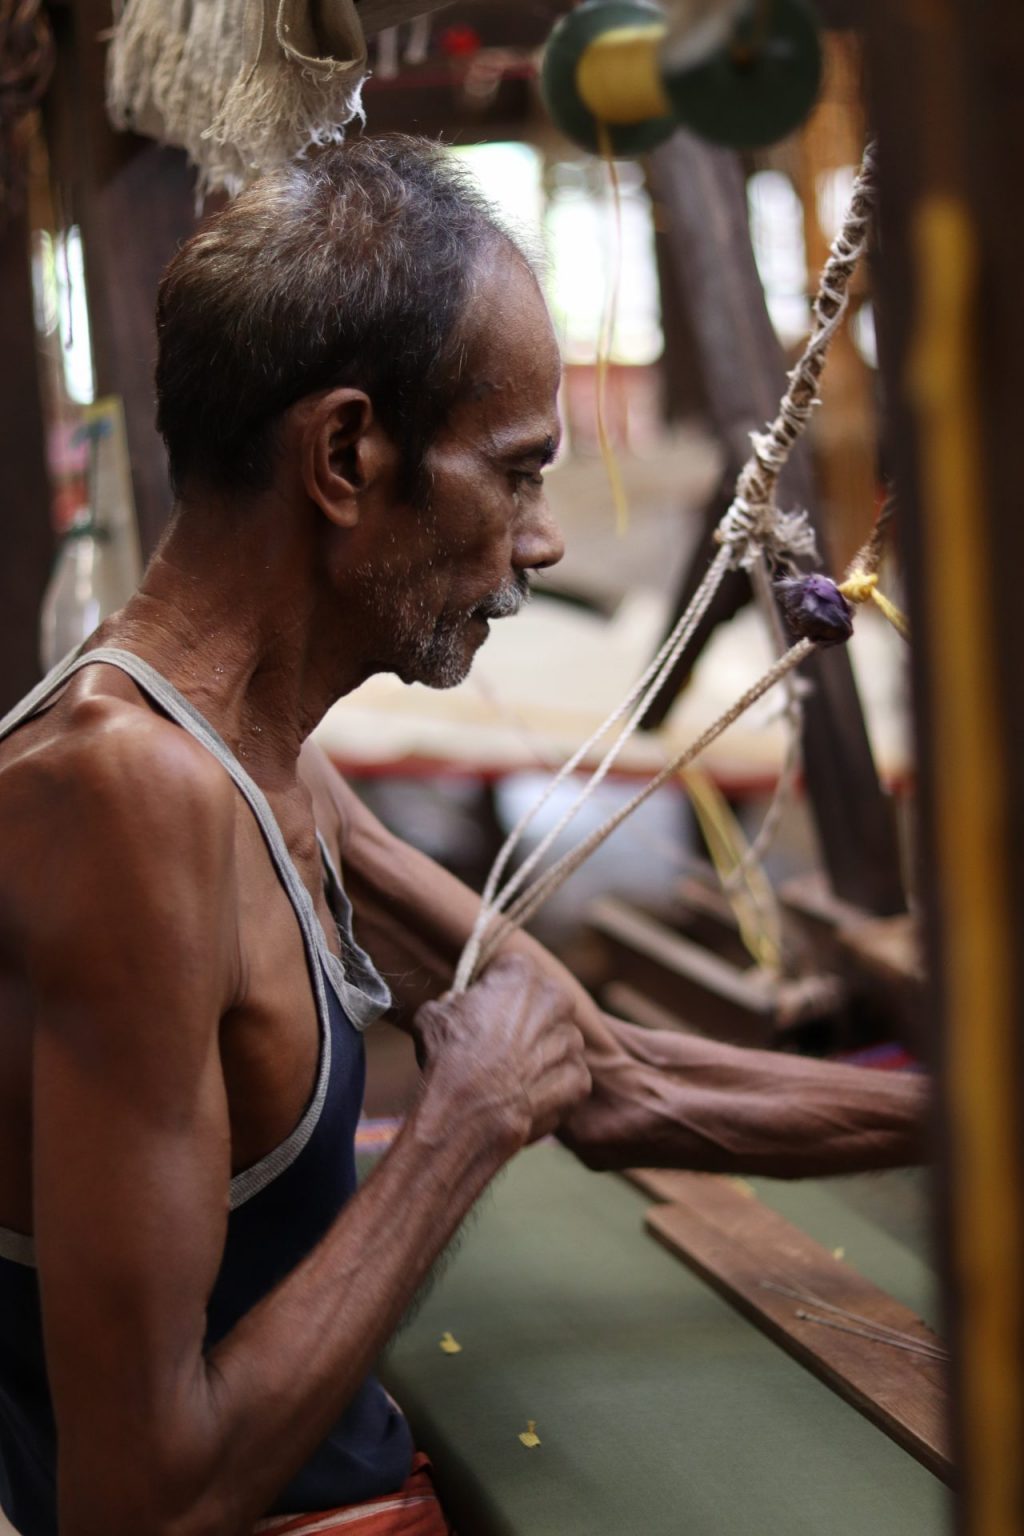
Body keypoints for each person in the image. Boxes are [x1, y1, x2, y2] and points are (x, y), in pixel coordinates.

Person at [0, 135, 926, 1536]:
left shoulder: (262, 759)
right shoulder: (126, 801)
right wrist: (462, 1126)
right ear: (348, 455)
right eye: (518, 471)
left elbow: (607, 1085)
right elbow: (137, 1504)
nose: (540, 543)